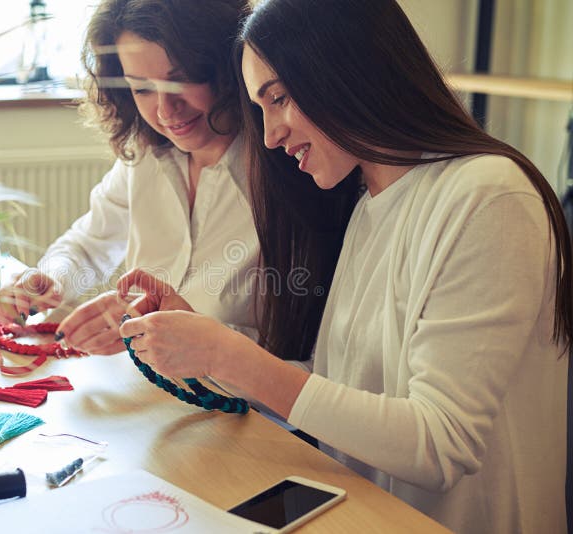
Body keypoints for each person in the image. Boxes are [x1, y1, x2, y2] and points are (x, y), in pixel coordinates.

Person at [117, 1, 572, 532]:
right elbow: (339, 394)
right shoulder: (369, 201)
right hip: (360, 515)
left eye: (279, 99)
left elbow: (439, 444)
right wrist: (205, 345)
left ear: (345, 68)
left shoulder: (488, 195)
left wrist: (234, 357)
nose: (268, 136)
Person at [0, 0, 260, 354]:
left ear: (227, 66)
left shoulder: (282, 170)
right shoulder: (147, 154)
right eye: (142, 89)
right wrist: (52, 278)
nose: (165, 111)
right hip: (147, 382)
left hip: (241, 400)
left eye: (179, 81)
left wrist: (162, 327)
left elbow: (298, 347)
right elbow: (90, 244)